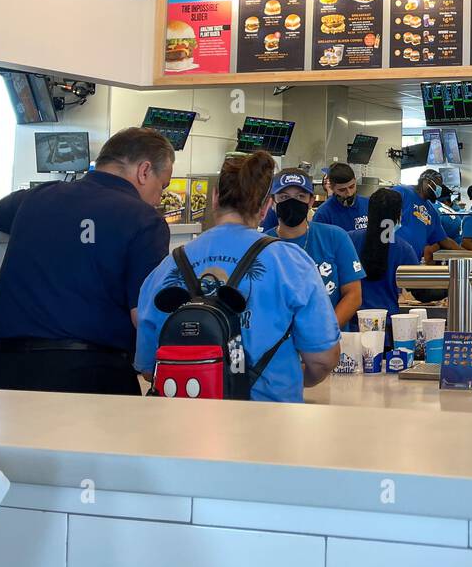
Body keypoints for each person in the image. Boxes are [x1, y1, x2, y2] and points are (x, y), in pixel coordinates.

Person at [135, 151, 340, 403]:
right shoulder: (290, 262)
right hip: (270, 420)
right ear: (265, 208)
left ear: (215, 198)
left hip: (185, 423)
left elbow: (148, 367)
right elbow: (323, 359)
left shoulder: (168, 267)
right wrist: (302, 378)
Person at [0, 127, 173, 395]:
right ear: (144, 171)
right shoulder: (144, 220)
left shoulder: (36, 198)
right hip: (90, 377)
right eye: (162, 186)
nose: (158, 199)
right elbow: (142, 316)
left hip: (7, 369)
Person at [262, 169, 364, 328]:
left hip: (330, 344)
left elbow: (353, 294)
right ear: (272, 202)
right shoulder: (262, 247)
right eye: (284, 197)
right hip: (279, 345)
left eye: (300, 196)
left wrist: (326, 333)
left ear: (310, 201)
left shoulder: (335, 237)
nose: (292, 202)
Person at [348, 186, 426, 331]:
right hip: (388, 328)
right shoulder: (403, 248)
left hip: (353, 326)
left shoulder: (348, 240)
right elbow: (420, 291)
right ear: (398, 214)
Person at [395, 168, 461, 260]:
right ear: (427, 182)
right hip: (394, 254)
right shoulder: (402, 192)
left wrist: (469, 253)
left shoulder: (432, 212)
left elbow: (444, 240)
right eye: (437, 186)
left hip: (413, 260)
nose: (438, 190)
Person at [313, 162, 369, 232]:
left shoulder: (368, 204)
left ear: (355, 181)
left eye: (351, 187)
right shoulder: (323, 215)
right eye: (342, 190)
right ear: (331, 188)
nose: (349, 193)